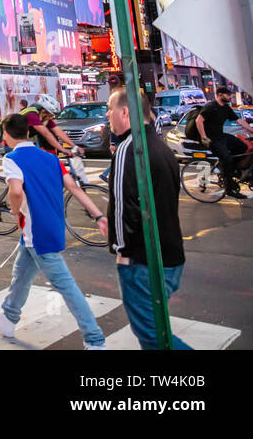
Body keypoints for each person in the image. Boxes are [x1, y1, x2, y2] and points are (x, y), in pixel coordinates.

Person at [0, 113, 108, 349]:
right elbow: (74, 188)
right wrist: (98, 215)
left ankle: (95, 339)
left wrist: (14, 211)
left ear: (6, 136)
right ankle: (9, 316)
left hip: (38, 233)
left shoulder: (12, 158)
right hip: (47, 228)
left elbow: (16, 191)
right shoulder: (51, 159)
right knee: (22, 273)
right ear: (29, 133)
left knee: (66, 286)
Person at [105, 86, 191, 349]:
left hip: (142, 261)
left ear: (125, 111)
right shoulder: (162, 148)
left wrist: (121, 249)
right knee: (156, 331)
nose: (107, 116)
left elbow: (123, 207)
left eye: (109, 110)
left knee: (154, 337)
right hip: (171, 255)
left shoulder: (128, 149)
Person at [194, 86, 253, 199]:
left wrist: (252, 130)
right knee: (226, 159)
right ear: (220, 95)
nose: (230, 97)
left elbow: (239, 120)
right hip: (211, 139)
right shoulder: (211, 106)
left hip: (221, 136)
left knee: (243, 146)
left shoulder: (226, 108)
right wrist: (204, 137)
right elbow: (199, 120)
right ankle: (229, 188)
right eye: (228, 95)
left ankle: (232, 170)